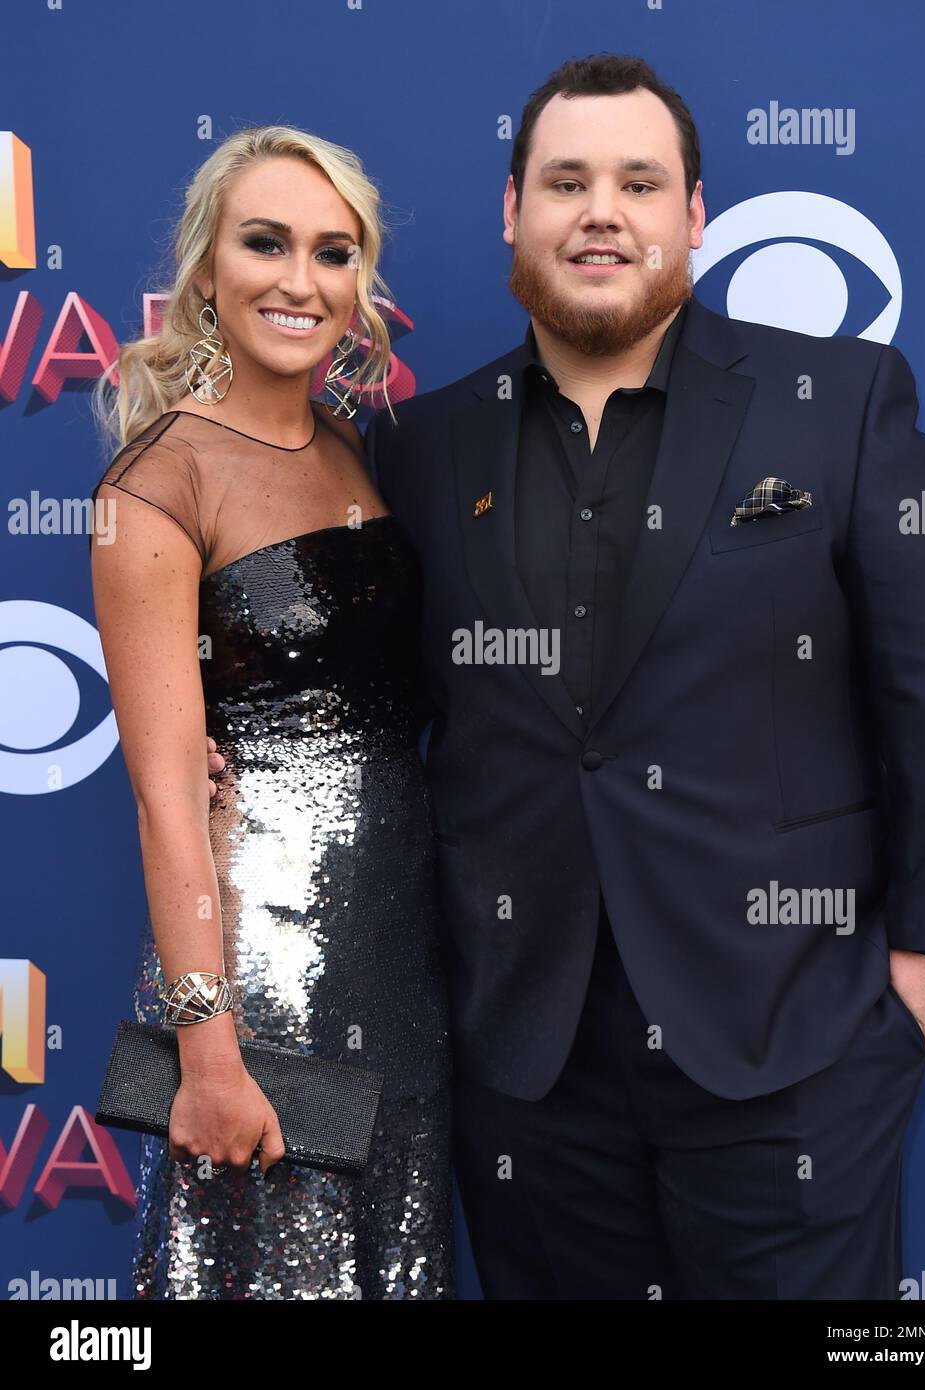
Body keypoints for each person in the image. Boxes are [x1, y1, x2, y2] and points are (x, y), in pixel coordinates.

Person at [356, 54, 925, 1298]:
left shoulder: (836, 404)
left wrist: (920, 990)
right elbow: (398, 725)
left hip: (794, 1048)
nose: (600, 210)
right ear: (513, 211)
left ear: (693, 216)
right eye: (565, 180)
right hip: (529, 1070)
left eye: (637, 181)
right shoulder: (425, 443)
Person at [91, 126, 452, 1300]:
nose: (301, 280)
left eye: (333, 252)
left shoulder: (351, 448)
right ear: (205, 271)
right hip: (266, 970)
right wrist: (205, 1041)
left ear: (359, 283)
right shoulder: (160, 480)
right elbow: (162, 790)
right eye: (266, 243)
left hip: (401, 955)